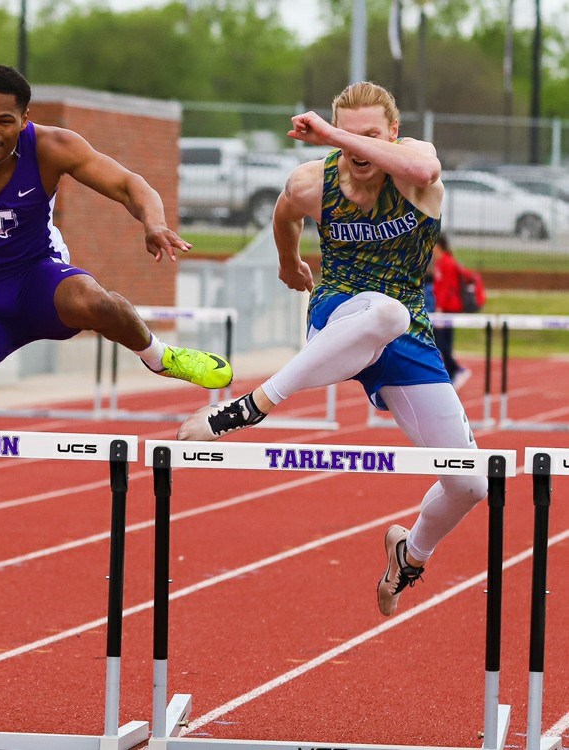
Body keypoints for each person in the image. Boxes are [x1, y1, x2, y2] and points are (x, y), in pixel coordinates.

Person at [0, 64, 233, 516]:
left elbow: (131, 184)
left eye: (3, 121)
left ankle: (160, 357)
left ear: (25, 119)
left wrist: (154, 222)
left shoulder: (52, 147)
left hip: (38, 280)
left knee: (93, 299)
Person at [177, 82, 487, 618]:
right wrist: (287, 261)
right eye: (348, 139)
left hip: (407, 335)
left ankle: (407, 556)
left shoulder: (417, 163)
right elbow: (283, 211)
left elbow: (423, 173)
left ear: (392, 132)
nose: (357, 150)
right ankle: (247, 408)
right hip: (338, 317)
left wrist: (336, 133)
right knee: (382, 311)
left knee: (470, 483)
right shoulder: (313, 182)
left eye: (369, 136)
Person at [429, 234, 471, 389]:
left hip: (447, 309)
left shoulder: (446, 262)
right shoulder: (442, 262)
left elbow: (446, 288)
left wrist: (439, 309)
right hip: (445, 308)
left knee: (442, 343)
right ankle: (452, 371)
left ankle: (456, 370)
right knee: (441, 343)